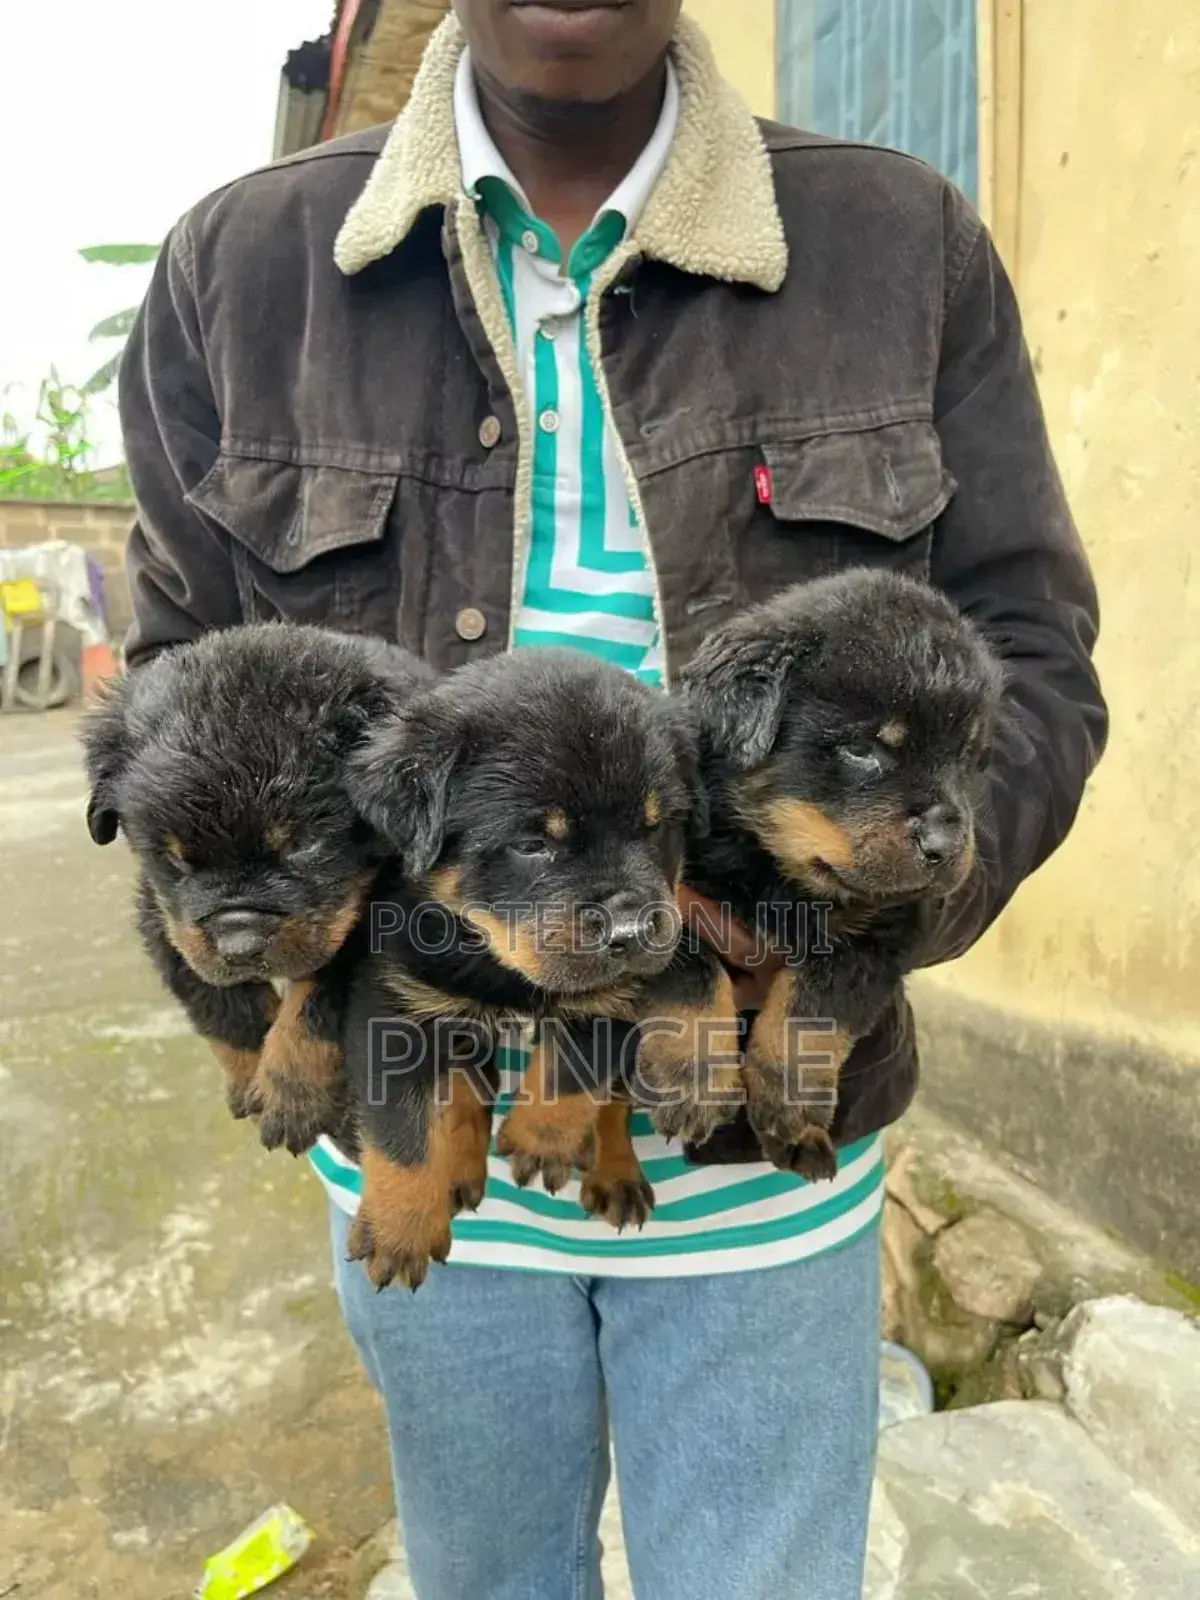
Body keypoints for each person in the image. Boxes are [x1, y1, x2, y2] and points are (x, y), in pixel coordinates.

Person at [117, 3, 1107, 1596]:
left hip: (766, 1163)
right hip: (422, 1129)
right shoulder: (243, 266)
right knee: (489, 1573)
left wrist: (834, 937)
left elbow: (1032, 664)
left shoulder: (893, 237)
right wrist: (272, 1011)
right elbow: (171, 707)